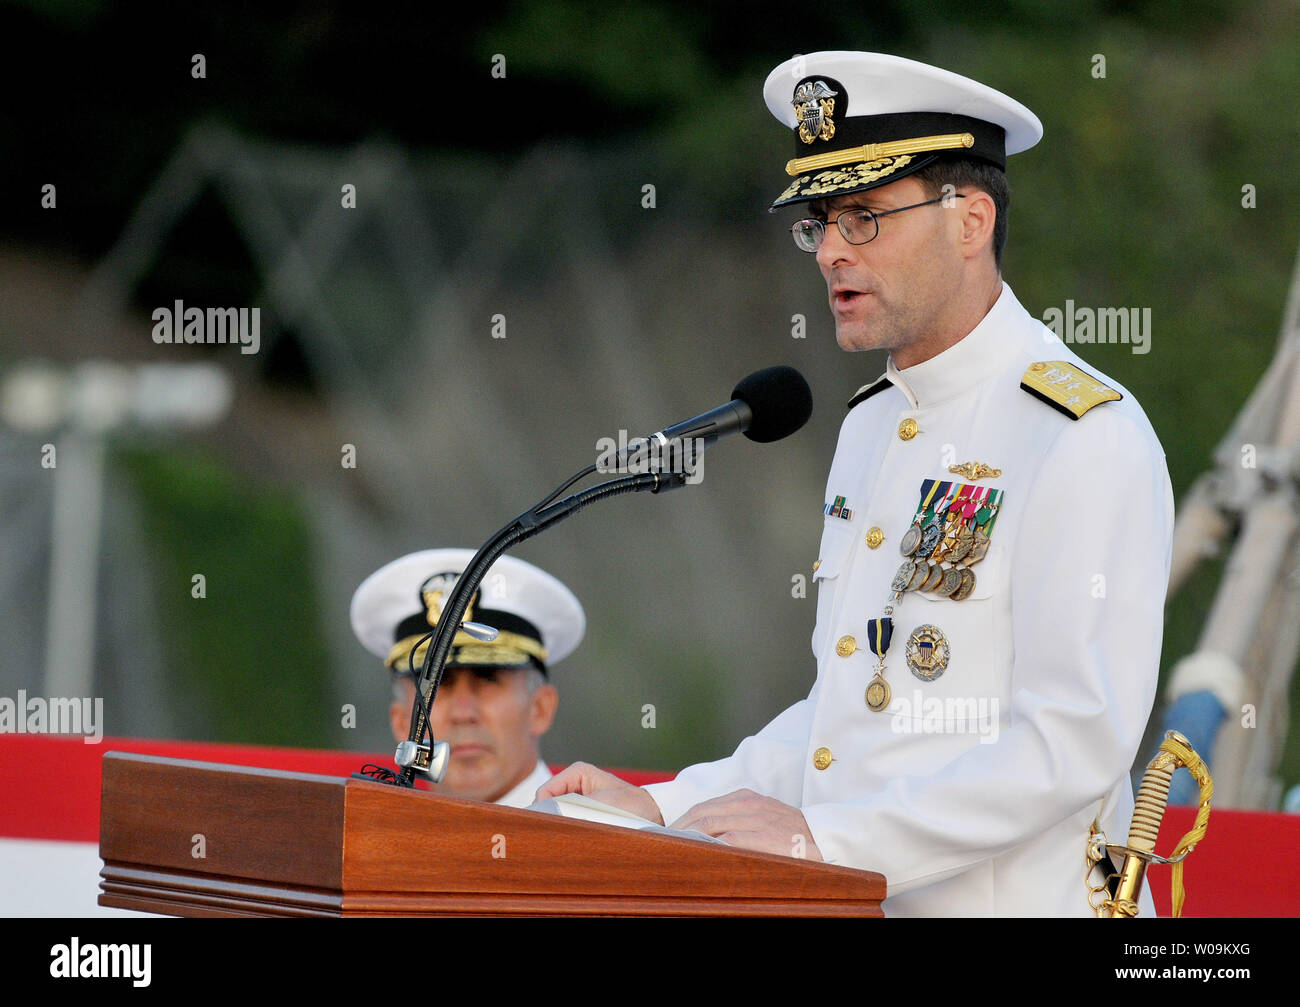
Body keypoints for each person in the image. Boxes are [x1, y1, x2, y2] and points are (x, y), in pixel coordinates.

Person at [540, 51, 1174, 916]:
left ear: (970, 220)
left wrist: (828, 843)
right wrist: (665, 806)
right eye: (820, 221)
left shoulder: (1080, 432)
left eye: (865, 216)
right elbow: (848, 715)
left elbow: (1070, 740)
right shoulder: (874, 422)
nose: (830, 249)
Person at [350, 548, 584, 807]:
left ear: (540, 709)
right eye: (436, 686)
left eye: (488, 679)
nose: (463, 713)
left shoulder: (608, 839)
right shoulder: (372, 842)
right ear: (401, 722)